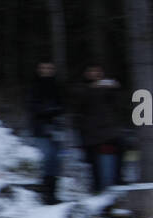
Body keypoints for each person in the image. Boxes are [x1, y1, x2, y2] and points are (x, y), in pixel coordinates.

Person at [73, 64, 124, 193]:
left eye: (98, 71)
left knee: (122, 148)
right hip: (91, 132)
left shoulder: (108, 88)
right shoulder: (81, 88)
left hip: (110, 130)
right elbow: (78, 105)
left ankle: (118, 180)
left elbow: (119, 105)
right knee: (95, 163)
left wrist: (115, 89)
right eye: (92, 71)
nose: (95, 74)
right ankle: (98, 190)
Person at [28, 61, 65, 205]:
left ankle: (52, 193)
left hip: (56, 128)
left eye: (49, 68)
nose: (46, 71)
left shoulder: (57, 86)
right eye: (43, 68)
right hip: (41, 129)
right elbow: (33, 107)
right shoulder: (35, 86)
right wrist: (48, 110)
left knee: (56, 160)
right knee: (48, 156)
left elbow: (62, 106)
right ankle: (46, 192)